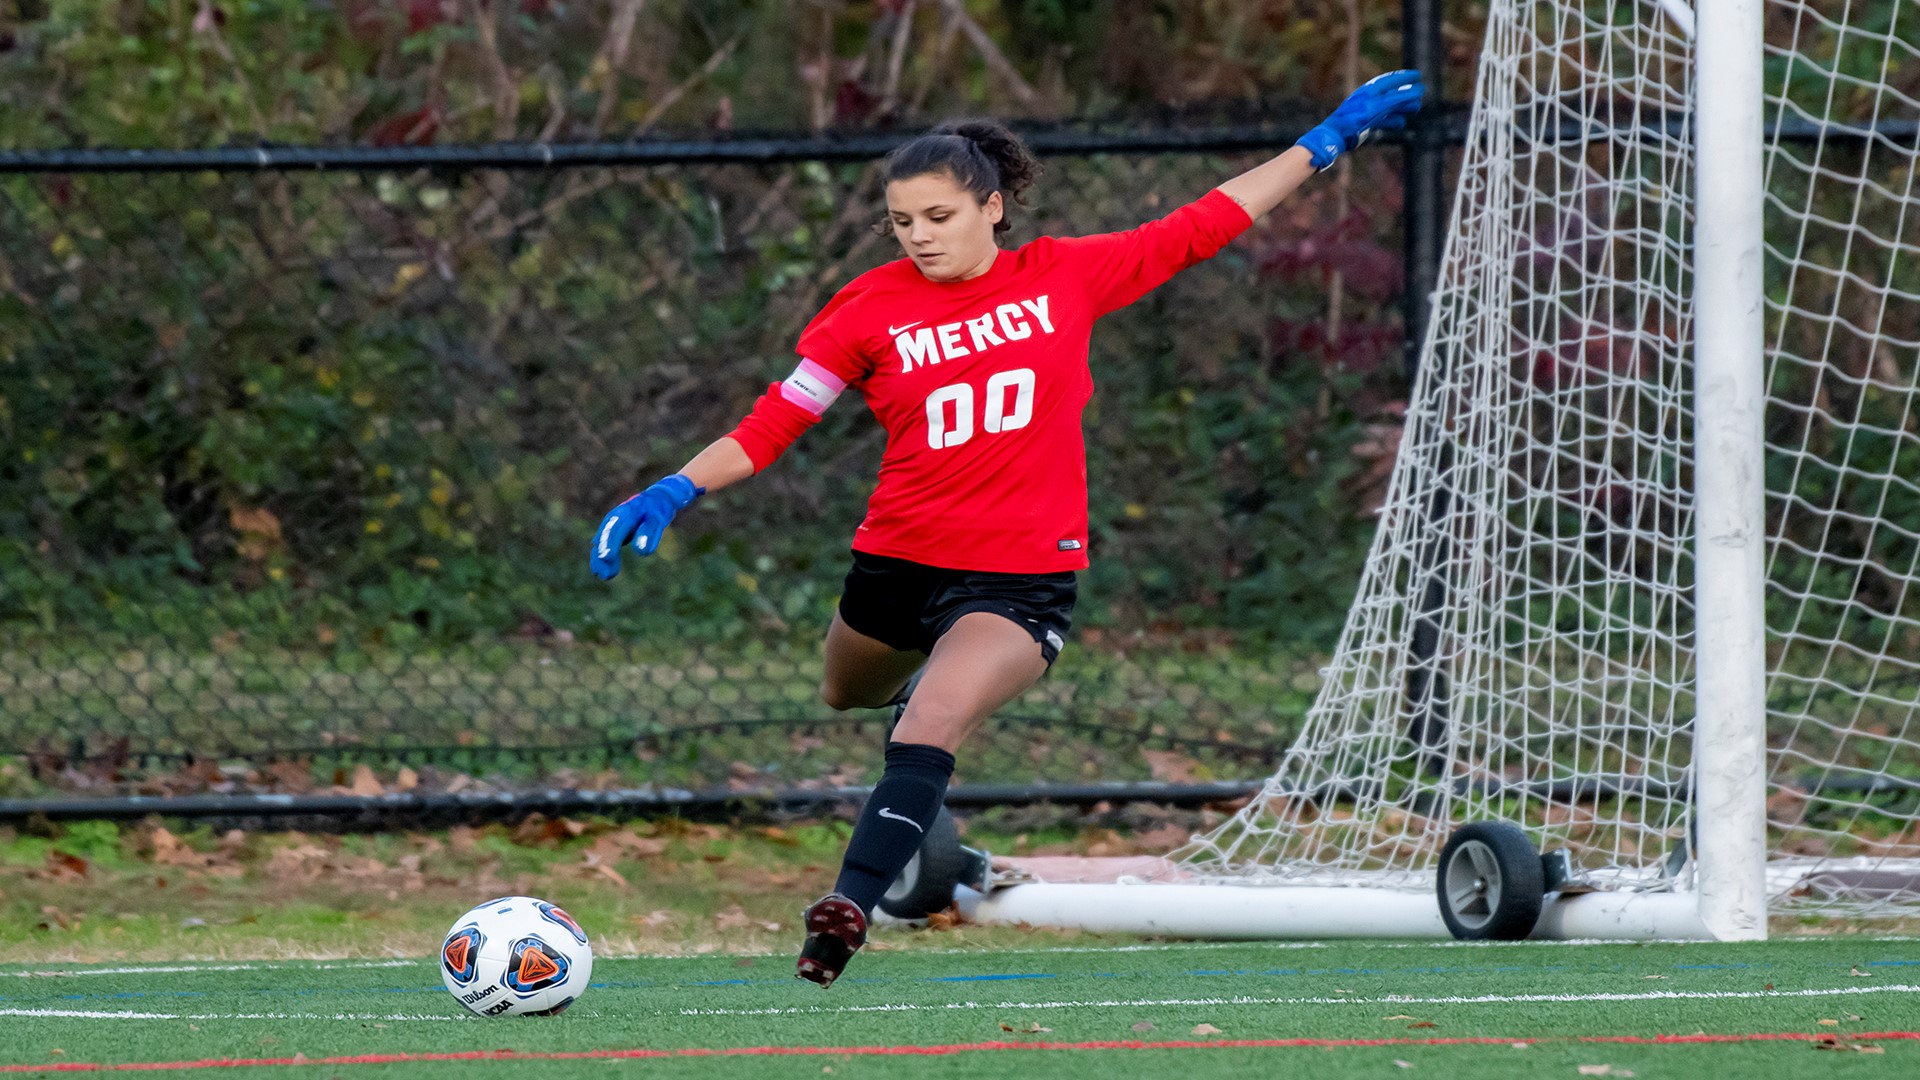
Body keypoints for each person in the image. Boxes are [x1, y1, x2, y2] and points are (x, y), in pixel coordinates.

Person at [590, 71, 1426, 987]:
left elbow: (1205, 222)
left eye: (938, 216)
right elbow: (773, 423)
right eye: (902, 221)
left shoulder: (1065, 275)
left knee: (931, 722)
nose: (919, 235)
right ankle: (916, 711)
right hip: (895, 564)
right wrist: (675, 488)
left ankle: (845, 911)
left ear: (992, 207)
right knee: (845, 691)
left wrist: (1322, 144)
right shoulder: (866, 308)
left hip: (1016, 581)